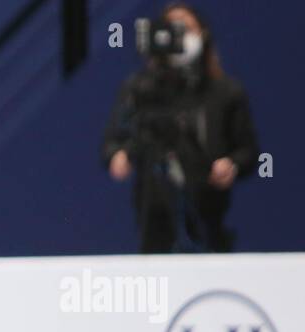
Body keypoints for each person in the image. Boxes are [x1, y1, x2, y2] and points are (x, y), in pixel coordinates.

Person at [102, 3, 258, 252]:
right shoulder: (139, 89)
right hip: (154, 212)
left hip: (209, 211)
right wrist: (118, 155)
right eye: (171, 29)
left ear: (202, 34)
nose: (179, 35)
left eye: (185, 28)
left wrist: (232, 164)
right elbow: (114, 140)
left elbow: (249, 152)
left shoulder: (226, 92)